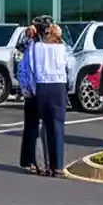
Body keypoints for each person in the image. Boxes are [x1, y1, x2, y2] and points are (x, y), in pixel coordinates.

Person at [32, 22, 70, 177]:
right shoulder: (62, 48)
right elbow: (68, 64)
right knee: (58, 125)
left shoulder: (37, 47)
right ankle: (58, 165)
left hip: (42, 85)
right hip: (58, 86)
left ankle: (48, 165)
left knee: (46, 127)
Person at [15, 22, 41, 174]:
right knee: (36, 128)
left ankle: (27, 160)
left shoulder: (26, 46)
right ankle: (32, 161)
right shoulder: (36, 47)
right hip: (36, 89)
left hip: (28, 90)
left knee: (30, 126)